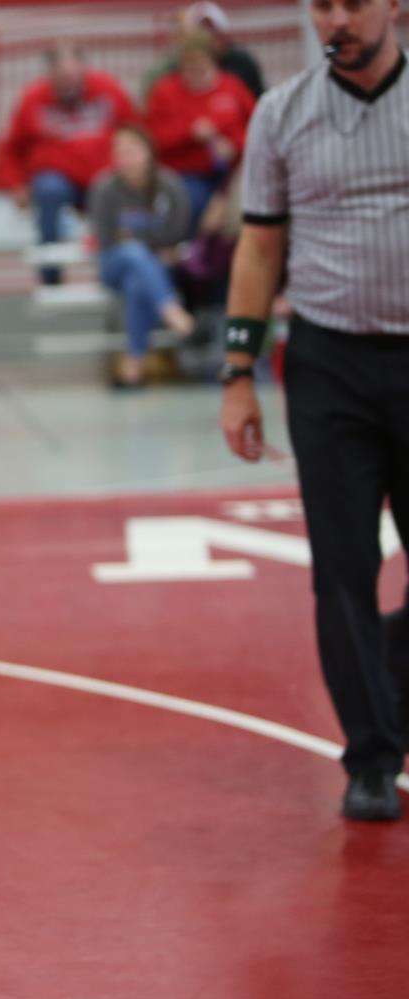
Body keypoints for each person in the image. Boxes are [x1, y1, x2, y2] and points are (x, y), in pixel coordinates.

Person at [220, 0, 409, 821]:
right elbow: (260, 244)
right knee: (342, 569)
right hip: (329, 362)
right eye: (321, 5)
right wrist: (238, 370)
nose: (335, 19)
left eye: (352, 2)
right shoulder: (283, 113)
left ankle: (389, 667)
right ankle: (370, 755)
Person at [1, 42, 137, 284]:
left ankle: (115, 270)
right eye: (61, 76)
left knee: (114, 196)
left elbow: (136, 130)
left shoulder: (108, 89)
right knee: (47, 190)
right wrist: (16, 185)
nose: (68, 82)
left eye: (72, 75)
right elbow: (12, 147)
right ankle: (50, 272)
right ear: (49, 75)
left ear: (84, 70)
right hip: (59, 178)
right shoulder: (33, 99)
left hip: (103, 177)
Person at [88, 125, 196, 388]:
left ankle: (133, 365)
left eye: (133, 150)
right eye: (121, 152)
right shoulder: (105, 188)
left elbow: (178, 231)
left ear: (149, 153)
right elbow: (108, 239)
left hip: (156, 268)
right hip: (114, 264)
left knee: (137, 282)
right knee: (133, 254)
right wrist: (150, 244)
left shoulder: (169, 185)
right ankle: (169, 308)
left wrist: (135, 237)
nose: (127, 158)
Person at [145, 30, 256, 228]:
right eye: (188, 69)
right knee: (193, 203)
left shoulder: (232, 87)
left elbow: (257, 128)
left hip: (232, 171)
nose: (195, 75)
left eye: (201, 68)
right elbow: (153, 138)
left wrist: (234, 146)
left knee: (242, 210)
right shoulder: (165, 91)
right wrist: (189, 132)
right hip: (186, 173)